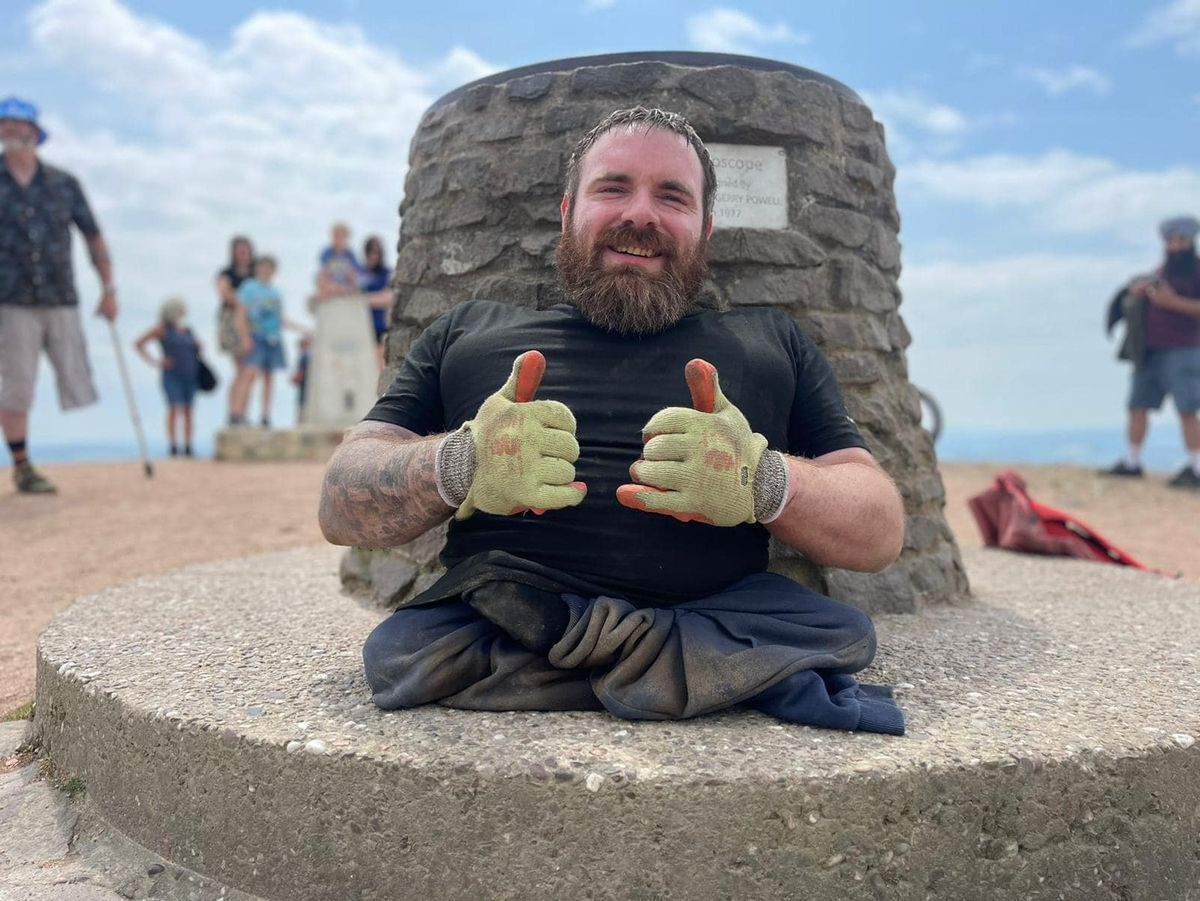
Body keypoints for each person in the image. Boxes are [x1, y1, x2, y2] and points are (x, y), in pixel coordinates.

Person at [319, 107, 907, 735]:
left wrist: (763, 481)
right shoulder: (466, 332)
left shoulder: (773, 341)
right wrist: (459, 465)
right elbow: (339, 505)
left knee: (835, 628)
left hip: (721, 614)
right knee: (406, 647)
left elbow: (879, 531)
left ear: (706, 228)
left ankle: (617, 660)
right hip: (505, 616)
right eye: (613, 188)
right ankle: (650, 671)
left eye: (672, 197)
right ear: (567, 212)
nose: (641, 215)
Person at [0, 96, 117, 495]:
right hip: (10, 298)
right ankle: (23, 466)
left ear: (34, 131)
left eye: (19, 123)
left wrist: (108, 289)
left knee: (77, 379)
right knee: (16, 383)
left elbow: (93, 236)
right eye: (5, 123)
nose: (11, 129)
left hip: (60, 295)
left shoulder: (64, 184)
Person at [1103, 216, 1200, 490]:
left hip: (1185, 350)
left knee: (1187, 409)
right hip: (1149, 352)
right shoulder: (1158, 273)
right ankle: (1131, 462)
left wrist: (1174, 302)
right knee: (1137, 406)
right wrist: (1135, 294)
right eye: (1171, 241)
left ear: (1191, 241)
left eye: (1181, 240)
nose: (1175, 245)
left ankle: (1196, 468)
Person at [237, 255, 301, 429]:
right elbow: (241, 314)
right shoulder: (249, 288)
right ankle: (240, 414)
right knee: (249, 374)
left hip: (273, 338)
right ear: (257, 269)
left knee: (269, 377)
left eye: (269, 268)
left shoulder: (275, 293)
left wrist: (302, 329)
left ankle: (265, 415)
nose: (266, 271)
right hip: (255, 335)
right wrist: (245, 337)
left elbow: (280, 319)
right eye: (263, 267)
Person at [134, 297, 200, 457]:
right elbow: (138, 343)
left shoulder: (187, 331)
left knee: (188, 411)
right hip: (172, 376)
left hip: (191, 375)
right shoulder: (162, 329)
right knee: (173, 408)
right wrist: (156, 362)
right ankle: (173, 446)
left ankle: (188, 446)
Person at [216, 235, 255, 426]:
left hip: (251, 323)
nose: (243, 255)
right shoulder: (227, 273)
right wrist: (243, 304)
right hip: (232, 323)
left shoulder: (254, 274)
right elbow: (224, 293)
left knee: (248, 372)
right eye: (240, 251)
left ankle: (239, 413)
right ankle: (235, 413)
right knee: (243, 370)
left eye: (246, 251)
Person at [359, 234, 393, 368]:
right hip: (360, 327)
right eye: (371, 251)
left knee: (379, 368)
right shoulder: (359, 272)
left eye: (377, 252)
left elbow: (389, 298)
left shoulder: (386, 273)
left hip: (379, 328)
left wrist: (363, 300)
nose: (374, 255)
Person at [314, 222, 359, 300]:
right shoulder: (327, 252)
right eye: (337, 236)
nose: (340, 240)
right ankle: (332, 290)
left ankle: (343, 290)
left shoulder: (350, 254)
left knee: (353, 276)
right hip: (331, 280)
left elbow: (355, 269)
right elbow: (325, 269)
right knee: (321, 276)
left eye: (342, 237)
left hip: (345, 281)